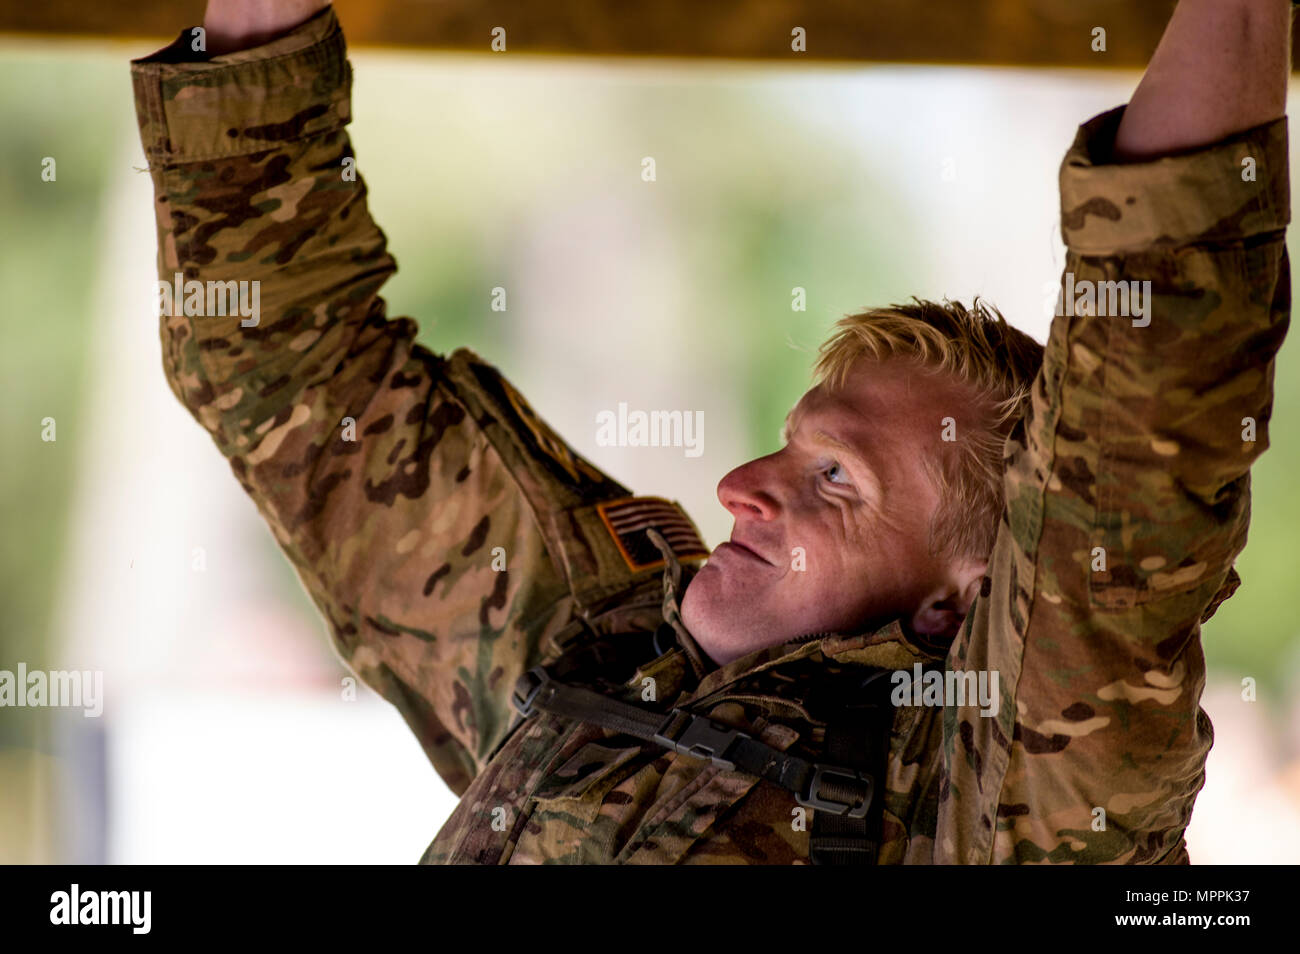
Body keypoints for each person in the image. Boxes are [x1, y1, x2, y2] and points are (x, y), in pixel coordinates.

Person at [130, 0, 1293, 863]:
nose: (739, 486)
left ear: (958, 601)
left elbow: (1139, 432)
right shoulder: (586, 657)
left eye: (834, 476)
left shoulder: (988, 798)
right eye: (787, 447)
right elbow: (283, 365)